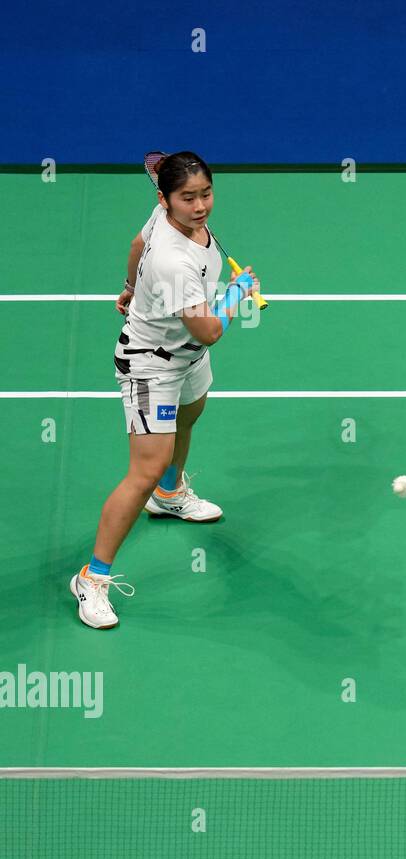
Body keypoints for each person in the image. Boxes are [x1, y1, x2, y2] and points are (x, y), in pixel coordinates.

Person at [70, 151, 259, 629]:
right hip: (151, 365)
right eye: (187, 198)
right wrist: (237, 293)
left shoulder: (163, 219)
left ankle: (170, 494)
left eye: (206, 194)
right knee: (144, 469)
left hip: (185, 357)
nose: (200, 206)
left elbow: (136, 245)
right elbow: (209, 330)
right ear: (165, 198)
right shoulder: (176, 264)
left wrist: (131, 286)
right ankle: (92, 578)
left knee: (191, 414)